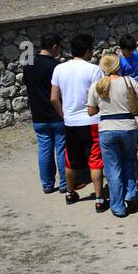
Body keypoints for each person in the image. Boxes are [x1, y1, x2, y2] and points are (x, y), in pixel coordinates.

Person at [86, 54, 138, 218]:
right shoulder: (129, 81)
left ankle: (118, 206)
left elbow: (91, 111)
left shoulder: (97, 86)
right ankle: (130, 194)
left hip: (107, 129)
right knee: (129, 161)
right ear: (118, 66)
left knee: (113, 169)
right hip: (128, 127)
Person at [51, 34, 105, 211]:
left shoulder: (59, 69)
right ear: (88, 51)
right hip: (91, 121)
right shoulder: (94, 70)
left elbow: (53, 98)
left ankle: (70, 193)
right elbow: (100, 97)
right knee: (95, 160)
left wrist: (64, 115)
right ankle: (99, 199)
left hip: (70, 121)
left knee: (70, 160)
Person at [22, 33, 67, 194]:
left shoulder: (28, 64)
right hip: (56, 114)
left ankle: (47, 184)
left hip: (39, 115)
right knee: (61, 149)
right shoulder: (56, 67)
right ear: (54, 46)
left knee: (44, 149)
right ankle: (64, 183)